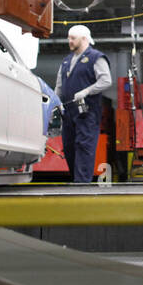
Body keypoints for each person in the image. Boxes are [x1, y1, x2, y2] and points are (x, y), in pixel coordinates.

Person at [54, 24, 111, 183]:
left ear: (84, 39)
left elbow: (106, 80)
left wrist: (87, 91)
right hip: (68, 112)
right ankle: (76, 181)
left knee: (84, 146)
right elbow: (59, 86)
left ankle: (81, 185)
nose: (69, 41)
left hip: (86, 112)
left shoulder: (96, 58)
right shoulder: (66, 62)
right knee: (69, 147)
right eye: (69, 38)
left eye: (73, 38)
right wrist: (54, 104)